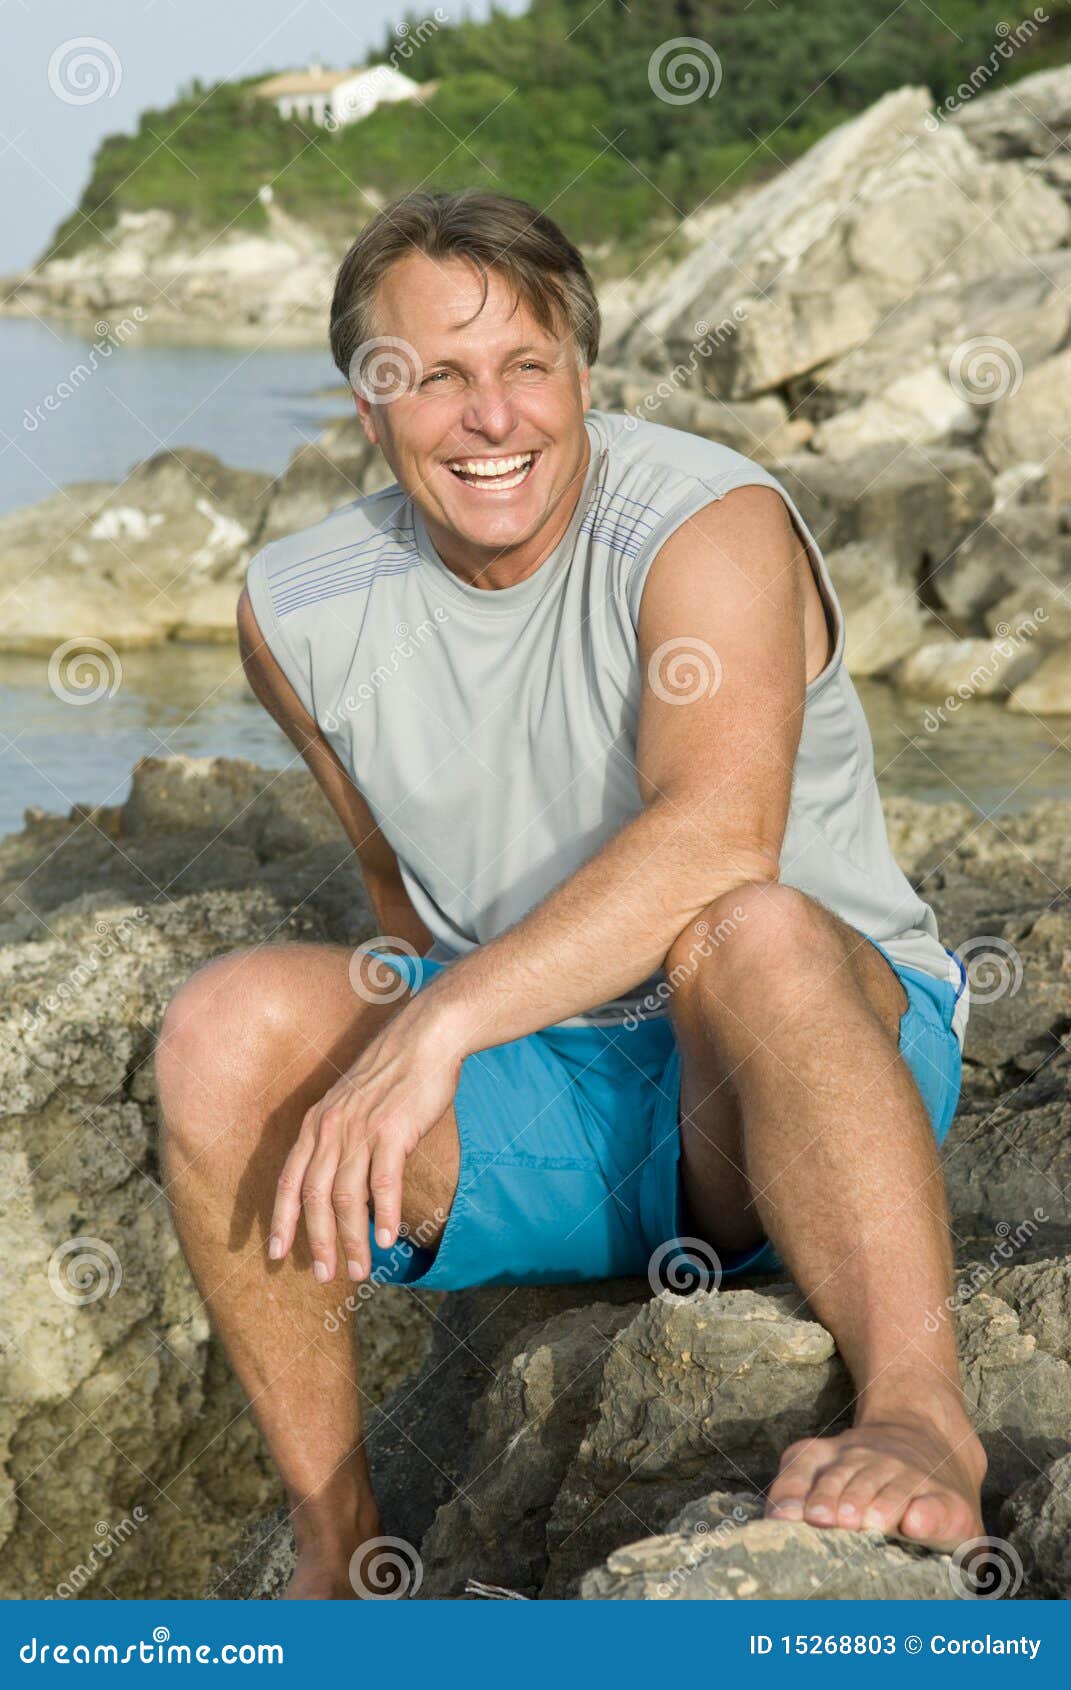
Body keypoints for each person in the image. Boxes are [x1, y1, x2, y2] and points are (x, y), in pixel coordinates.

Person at [154, 189, 983, 1601]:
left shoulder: (702, 521)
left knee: (753, 925)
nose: (492, 418)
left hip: (795, 1051)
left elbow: (723, 833)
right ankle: (336, 1534)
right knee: (221, 1027)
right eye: (435, 377)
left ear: (580, 378)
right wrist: (420, 1040)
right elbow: (390, 891)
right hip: (557, 1097)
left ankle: (919, 1408)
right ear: (369, 403)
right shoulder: (294, 610)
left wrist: (435, 1031)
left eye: (525, 367)